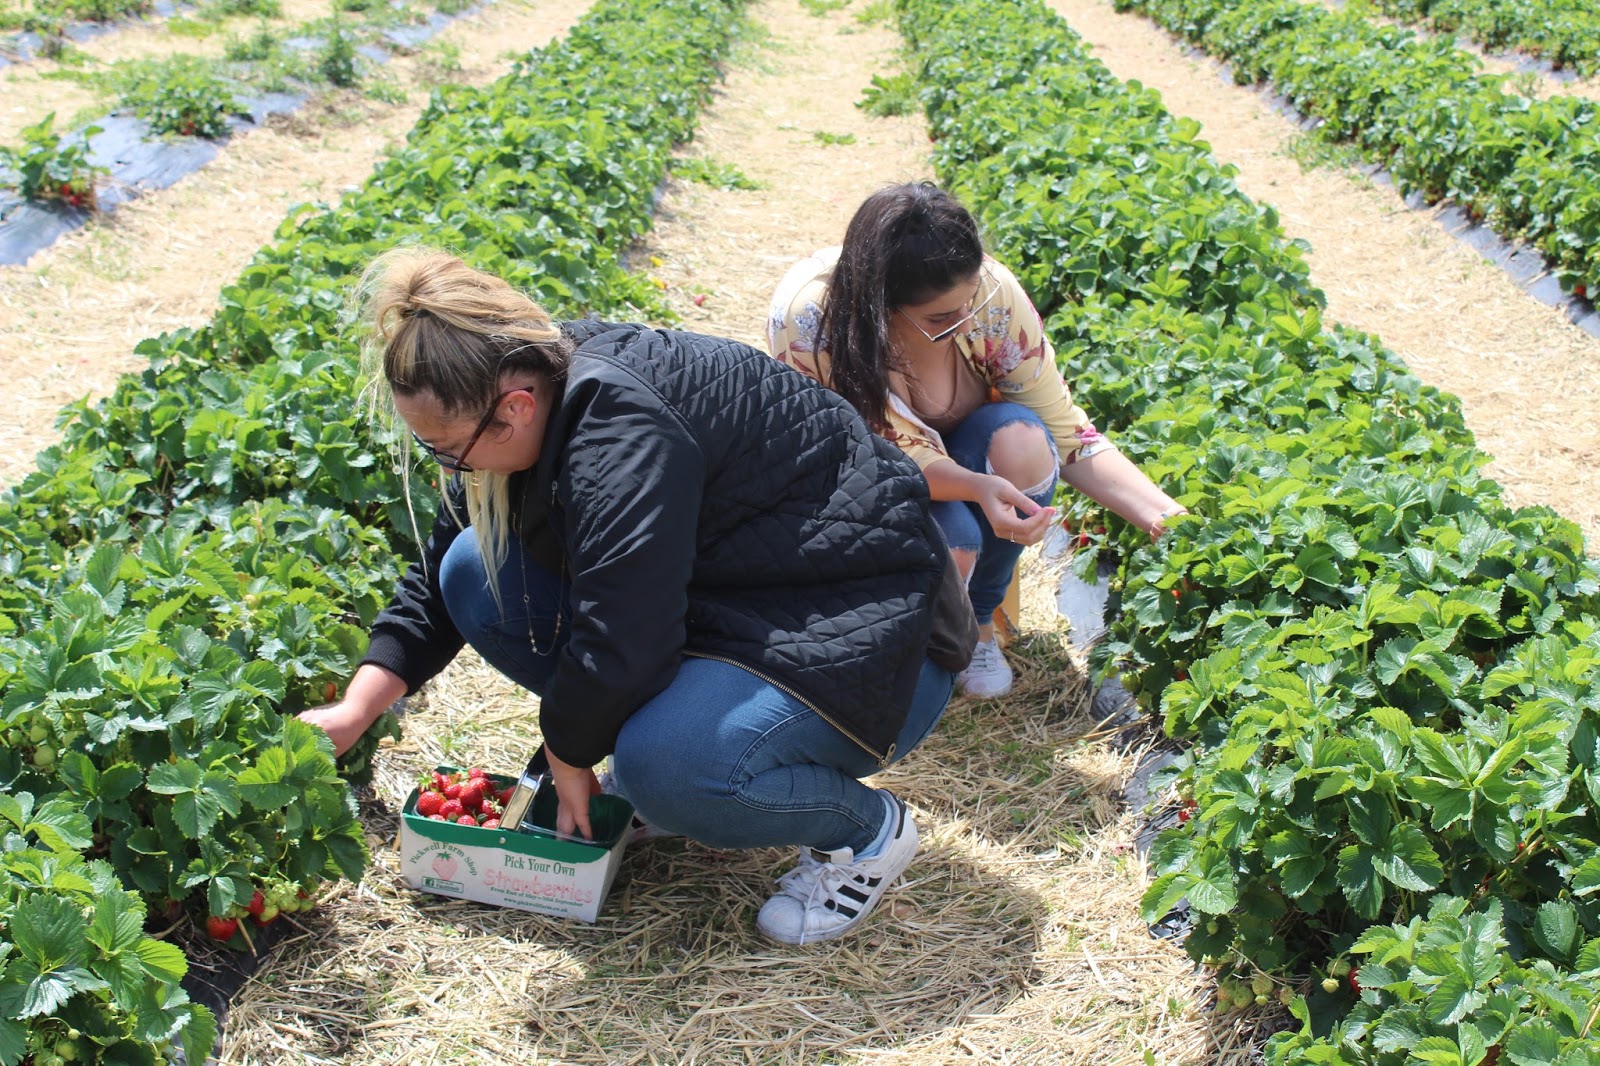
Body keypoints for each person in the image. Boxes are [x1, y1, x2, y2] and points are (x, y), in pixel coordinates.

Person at [299, 248, 977, 946]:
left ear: (515, 408)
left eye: (447, 449)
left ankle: (863, 834)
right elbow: (441, 567)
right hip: (747, 604)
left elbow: (625, 634)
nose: (450, 466)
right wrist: (357, 709)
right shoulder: (522, 376)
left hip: (869, 639)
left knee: (668, 768)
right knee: (476, 569)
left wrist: (568, 755)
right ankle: (683, 751)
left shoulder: (619, 432)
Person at [767, 182, 1185, 699]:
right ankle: (914, 634)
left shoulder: (989, 298)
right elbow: (875, 456)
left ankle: (979, 620)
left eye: (968, 303)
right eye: (941, 319)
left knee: (1023, 443)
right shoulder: (816, 324)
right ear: (881, 309)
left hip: (963, 451)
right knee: (955, 539)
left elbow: (1065, 430)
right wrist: (976, 488)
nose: (966, 321)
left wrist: (1164, 518)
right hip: (865, 472)